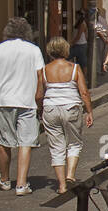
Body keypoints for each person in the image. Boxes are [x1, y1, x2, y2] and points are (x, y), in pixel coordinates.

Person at [0, 17, 45, 195]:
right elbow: (40, 77)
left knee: (4, 143)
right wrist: (39, 98)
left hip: (3, 102)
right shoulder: (34, 50)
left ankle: (5, 180)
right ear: (27, 32)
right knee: (25, 143)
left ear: (7, 31)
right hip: (27, 103)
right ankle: (22, 184)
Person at [35, 36, 93, 191]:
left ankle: (61, 185)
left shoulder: (44, 70)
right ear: (65, 50)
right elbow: (84, 92)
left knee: (56, 147)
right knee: (74, 142)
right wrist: (89, 111)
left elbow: (39, 95)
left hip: (50, 109)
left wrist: (40, 110)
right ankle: (70, 175)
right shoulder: (74, 68)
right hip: (71, 108)